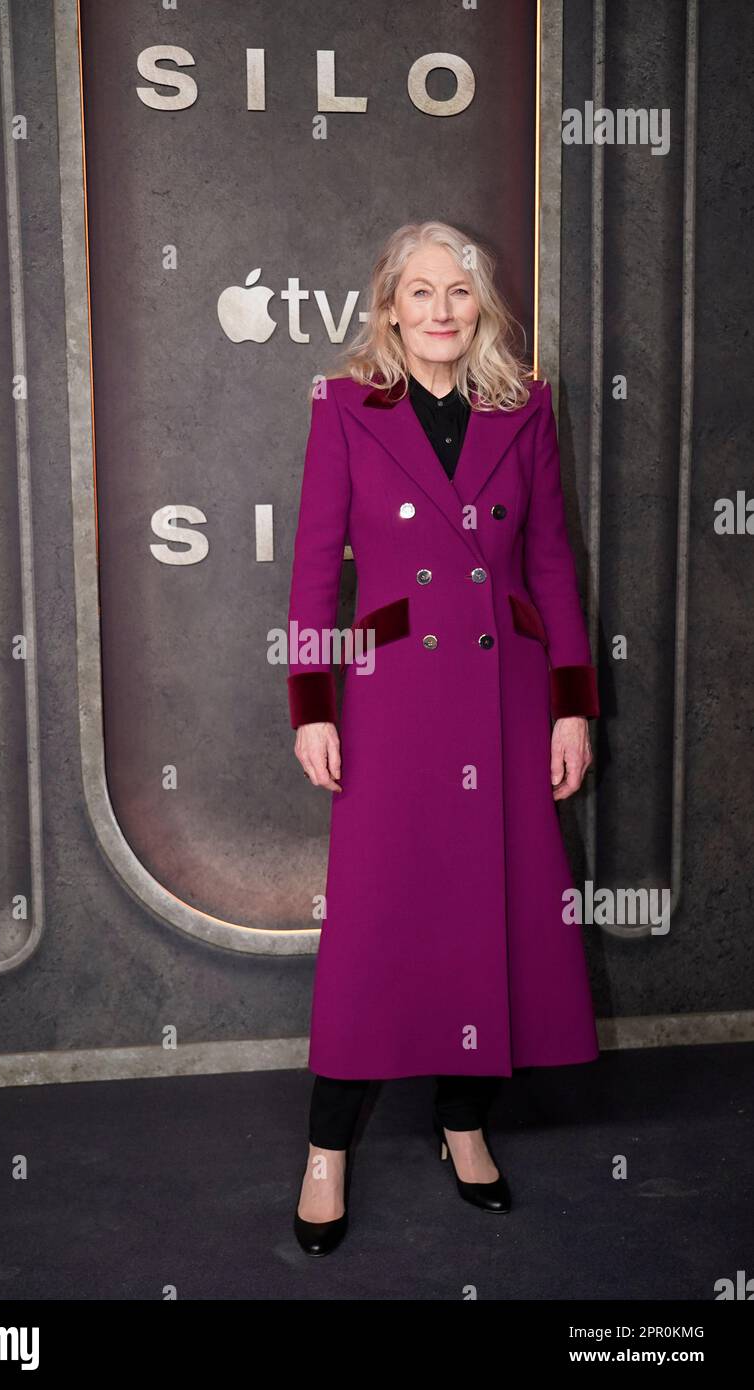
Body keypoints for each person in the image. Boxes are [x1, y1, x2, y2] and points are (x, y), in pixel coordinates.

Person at [286, 222, 599, 1256]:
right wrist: (312, 704)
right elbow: (309, 572)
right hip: (391, 699)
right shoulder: (343, 408)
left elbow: (550, 564)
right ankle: (326, 1148)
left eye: (456, 291)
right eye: (417, 291)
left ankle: (461, 1122)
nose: (437, 309)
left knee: (488, 912)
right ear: (387, 307)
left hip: (504, 701)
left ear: (480, 308)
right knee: (375, 923)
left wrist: (568, 704)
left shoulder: (524, 407)